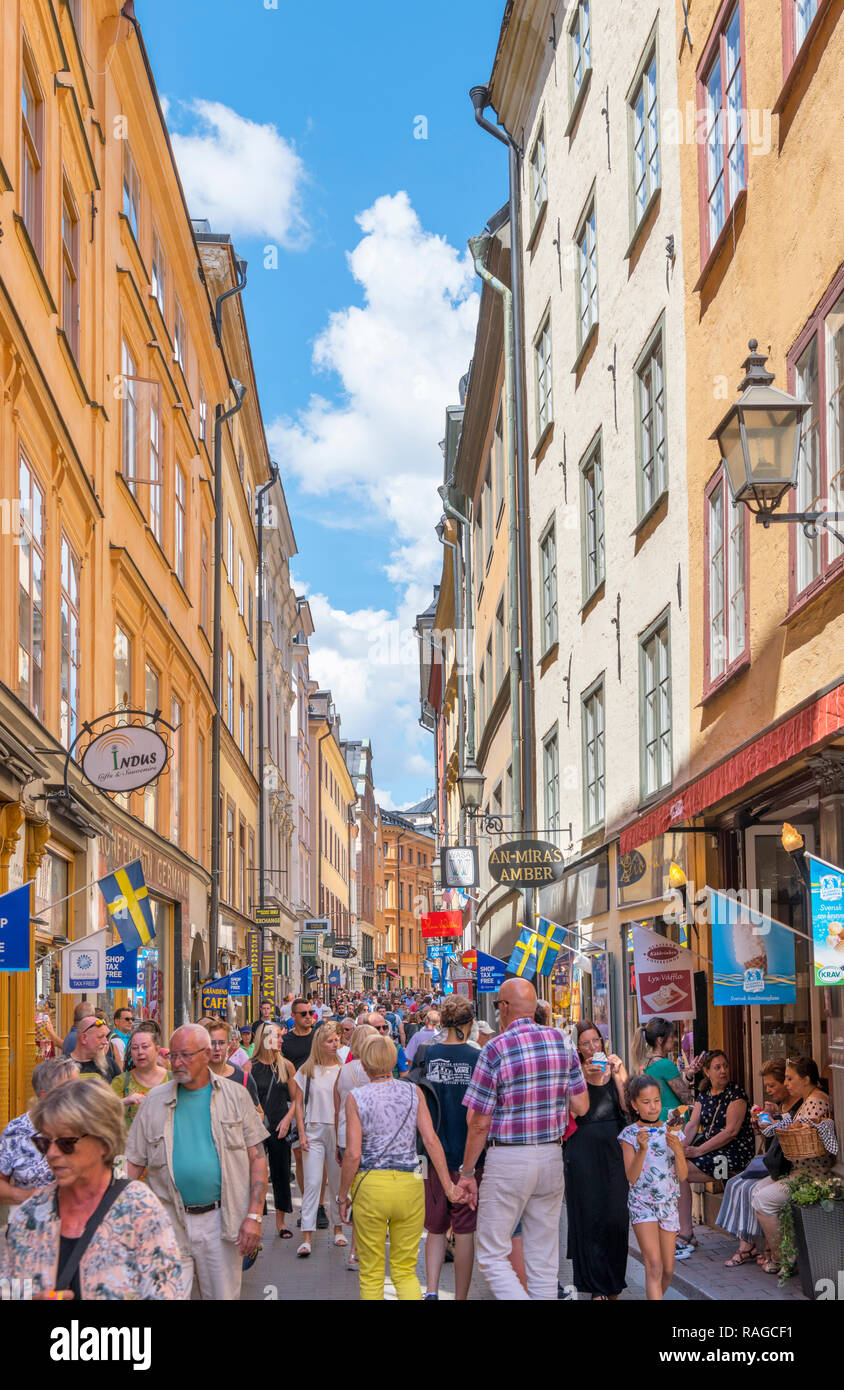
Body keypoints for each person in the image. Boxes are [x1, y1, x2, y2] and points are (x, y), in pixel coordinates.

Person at [454, 977, 589, 1300]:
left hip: (509, 1158)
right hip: (551, 1156)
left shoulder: (495, 1048)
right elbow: (581, 1106)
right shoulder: (561, 1041)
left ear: (503, 1007)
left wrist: (468, 1172)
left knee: (490, 1252)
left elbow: (478, 1123)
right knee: (543, 1257)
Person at [1, 1077, 184, 1299]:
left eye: (66, 1143)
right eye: (45, 1142)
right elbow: (9, 1291)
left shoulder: (140, 1211)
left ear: (103, 1142)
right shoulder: (29, 1217)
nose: (51, 1154)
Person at [126, 1024, 269, 1300]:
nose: (177, 1063)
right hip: (168, 1223)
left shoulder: (235, 1096)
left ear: (206, 1055)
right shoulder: (154, 1101)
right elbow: (133, 1163)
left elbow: (257, 1159)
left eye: (186, 1055)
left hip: (220, 1222)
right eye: (173, 1056)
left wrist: (254, 1215)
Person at [337, 1032, 462, 1300]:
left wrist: (342, 1194)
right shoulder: (413, 1091)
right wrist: (448, 1186)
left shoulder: (356, 1097)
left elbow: (353, 1153)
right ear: (393, 1060)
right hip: (409, 1183)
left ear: (365, 1064)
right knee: (405, 1270)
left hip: (370, 1185)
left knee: (371, 1273)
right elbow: (430, 1140)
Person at [418, 994, 481, 1301]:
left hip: (433, 1154)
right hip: (469, 1154)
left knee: (435, 1227)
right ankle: (460, 1296)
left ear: (441, 1022)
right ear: (470, 1023)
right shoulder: (478, 1057)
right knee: (465, 1229)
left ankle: (430, 1290)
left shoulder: (426, 1053)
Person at [563, 1020, 630, 1300]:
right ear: (578, 1048)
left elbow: (629, 1107)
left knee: (616, 1218)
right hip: (582, 1154)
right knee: (589, 1217)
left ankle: (613, 1284)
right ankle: (596, 1289)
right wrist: (582, 1076)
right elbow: (570, 1115)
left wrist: (620, 1075)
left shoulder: (615, 1070)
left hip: (614, 1154)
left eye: (596, 1041)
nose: (593, 1048)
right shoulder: (573, 1075)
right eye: (586, 1043)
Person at [750, 1055, 834, 1275]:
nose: (785, 1084)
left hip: (812, 1174)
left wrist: (777, 1126)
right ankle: (776, 1252)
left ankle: (785, 1259)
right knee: (757, 1189)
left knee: (763, 1199)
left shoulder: (816, 1101)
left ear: (805, 1079)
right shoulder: (807, 1100)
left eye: (789, 1078)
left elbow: (803, 1138)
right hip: (799, 1170)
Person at [676, 1050, 754, 1260]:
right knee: (677, 1166)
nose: (723, 1071)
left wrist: (698, 1150)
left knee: (682, 1171)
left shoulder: (736, 1093)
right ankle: (686, 1230)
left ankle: (686, 1232)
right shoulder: (704, 1095)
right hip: (712, 1151)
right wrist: (681, 1147)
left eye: (725, 1066)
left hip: (734, 1153)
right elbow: (692, 1125)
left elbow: (731, 1132)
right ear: (707, 1072)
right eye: (717, 1067)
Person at [718, 1058, 794, 1269]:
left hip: (782, 1168)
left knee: (749, 1188)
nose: (768, 1090)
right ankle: (751, 1246)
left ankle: (762, 1249)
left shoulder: (796, 1106)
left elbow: (786, 1146)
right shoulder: (783, 1106)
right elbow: (775, 1146)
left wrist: (774, 1119)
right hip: (773, 1165)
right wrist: (768, 1121)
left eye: (773, 1085)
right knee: (735, 1184)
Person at [619, 1075, 688, 1300]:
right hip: (642, 1204)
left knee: (668, 1270)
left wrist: (677, 1148)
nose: (653, 1107)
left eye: (656, 1101)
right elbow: (631, 1176)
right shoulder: (629, 1134)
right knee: (654, 1265)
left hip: (668, 1203)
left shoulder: (673, 1130)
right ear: (635, 1105)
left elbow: (683, 1175)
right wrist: (641, 1149)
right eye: (646, 1102)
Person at [292, 1021, 345, 1255]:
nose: (335, 1044)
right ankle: (307, 1236)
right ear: (320, 1044)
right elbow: (298, 1104)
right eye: (330, 1040)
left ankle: (338, 1229)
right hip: (313, 1129)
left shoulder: (344, 1069)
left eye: (337, 1040)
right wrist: (301, 1133)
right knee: (313, 1183)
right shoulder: (306, 1070)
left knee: (336, 1182)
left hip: (337, 1131)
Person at [0, 1057, 80, 1206]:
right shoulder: (17, 1130)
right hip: (29, 1220)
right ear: (45, 1096)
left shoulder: (85, 1126)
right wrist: (30, 1196)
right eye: (70, 1089)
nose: (79, 1095)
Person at [334, 1022, 377, 1272]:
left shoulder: (343, 1070)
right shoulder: (376, 1070)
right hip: (369, 1137)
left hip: (344, 1136)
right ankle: (357, 1250)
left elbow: (336, 1106)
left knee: (357, 1194)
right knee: (367, 1195)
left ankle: (356, 1249)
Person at [250, 1022, 296, 1238]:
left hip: (279, 1126)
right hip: (256, 1128)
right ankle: (257, 1219)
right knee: (256, 1176)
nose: (281, 1040)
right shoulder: (249, 1067)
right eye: (278, 1036)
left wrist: (288, 1119)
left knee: (281, 1173)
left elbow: (297, 1099)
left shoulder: (286, 1066)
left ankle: (281, 1222)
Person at [631, 1017, 698, 1121]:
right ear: (660, 1040)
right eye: (671, 1037)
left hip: (659, 1120)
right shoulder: (665, 1064)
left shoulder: (649, 1063)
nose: (674, 1040)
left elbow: (672, 1091)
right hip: (674, 1122)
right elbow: (686, 1098)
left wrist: (689, 1074)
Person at [111, 1027, 170, 1129]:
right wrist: (125, 1101)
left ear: (157, 1049)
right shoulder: (121, 1081)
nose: (140, 1052)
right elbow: (104, 1111)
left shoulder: (172, 1079)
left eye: (145, 1046)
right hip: (130, 1143)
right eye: (134, 1048)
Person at [69, 1016, 121, 1084]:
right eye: (100, 1037)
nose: (105, 1041)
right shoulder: (62, 1067)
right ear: (84, 1038)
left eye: (105, 1036)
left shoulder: (110, 1064)